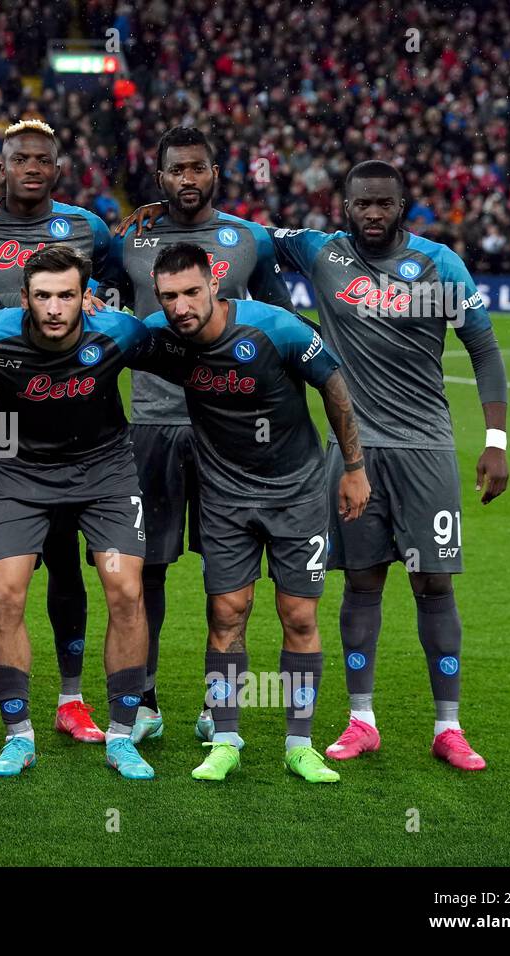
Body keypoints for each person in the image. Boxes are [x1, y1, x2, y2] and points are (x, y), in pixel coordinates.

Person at [271, 160, 508, 771]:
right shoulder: (322, 254)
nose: (372, 214)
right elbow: (242, 237)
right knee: (362, 579)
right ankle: (361, 720)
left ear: (403, 204)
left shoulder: (439, 264)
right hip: (354, 451)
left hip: (426, 448)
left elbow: (482, 348)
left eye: (384, 204)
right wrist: (164, 220)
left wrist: (497, 440)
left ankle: (448, 727)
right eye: (361, 204)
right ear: (343, 206)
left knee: (434, 583)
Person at [140, 242, 369, 783]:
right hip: (223, 498)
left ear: (214, 285)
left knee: (300, 615)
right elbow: (104, 340)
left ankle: (299, 743)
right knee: (227, 613)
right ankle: (224, 738)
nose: (181, 306)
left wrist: (355, 468)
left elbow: (335, 389)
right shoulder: (157, 334)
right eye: (169, 296)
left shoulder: (277, 329)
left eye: (192, 292)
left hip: (298, 492)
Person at [110, 126, 295, 744]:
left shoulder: (248, 241)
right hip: (151, 427)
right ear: (158, 177)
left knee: (230, 574)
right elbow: (105, 313)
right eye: (174, 171)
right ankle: (147, 699)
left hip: (231, 429)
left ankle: (222, 707)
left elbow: (282, 323)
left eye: (196, 168)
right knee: (149, 569)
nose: (186, 179)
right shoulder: (130, 240)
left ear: (215, 170)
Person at [0, 118, 114, 744]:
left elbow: (120, 286)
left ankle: (72, 699)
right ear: (3, 163)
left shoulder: (87, 229)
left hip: (64, 413)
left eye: (43, 159)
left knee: (65, 557)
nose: (32, 168)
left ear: (57, 166)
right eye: (20, 159)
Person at [0, 245, 157, 780]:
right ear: (23, 298)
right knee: (4, 592)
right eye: (42, 296)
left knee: (125, 589)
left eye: (66, 296)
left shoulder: (118, 332)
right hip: (21, 474)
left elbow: (185, 350)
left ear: (85, 297)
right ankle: (18, 736)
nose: (54, 308)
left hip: (106, 474)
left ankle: (122, 735)